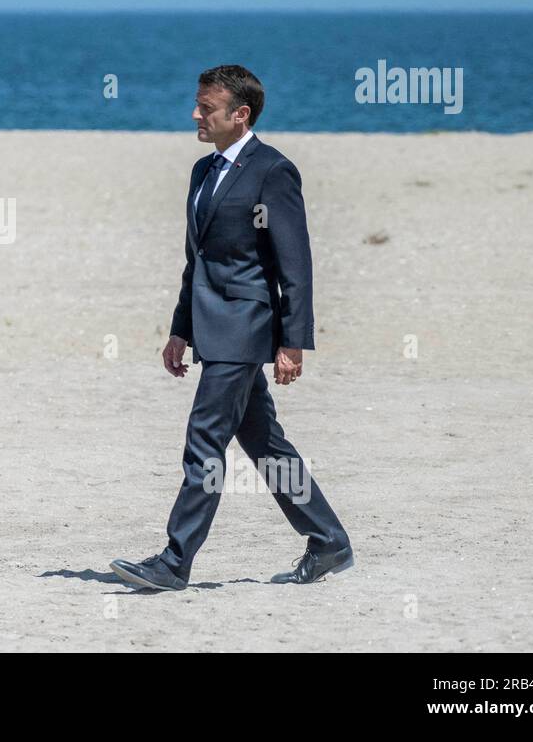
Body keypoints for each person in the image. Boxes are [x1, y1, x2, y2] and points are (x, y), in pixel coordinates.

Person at [111, 65, 353, 590]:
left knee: (204, 440)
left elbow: (296, 264)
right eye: (197, 104)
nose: (196, 114)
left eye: (207, 107)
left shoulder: (273, 171)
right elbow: (195, 260)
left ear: (240, 114)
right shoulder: (203, 171)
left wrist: (293, 341)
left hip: (245, 327)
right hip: (209, 326)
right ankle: (329, 541)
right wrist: (181, 329)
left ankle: (175, 562)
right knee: (266, 445)